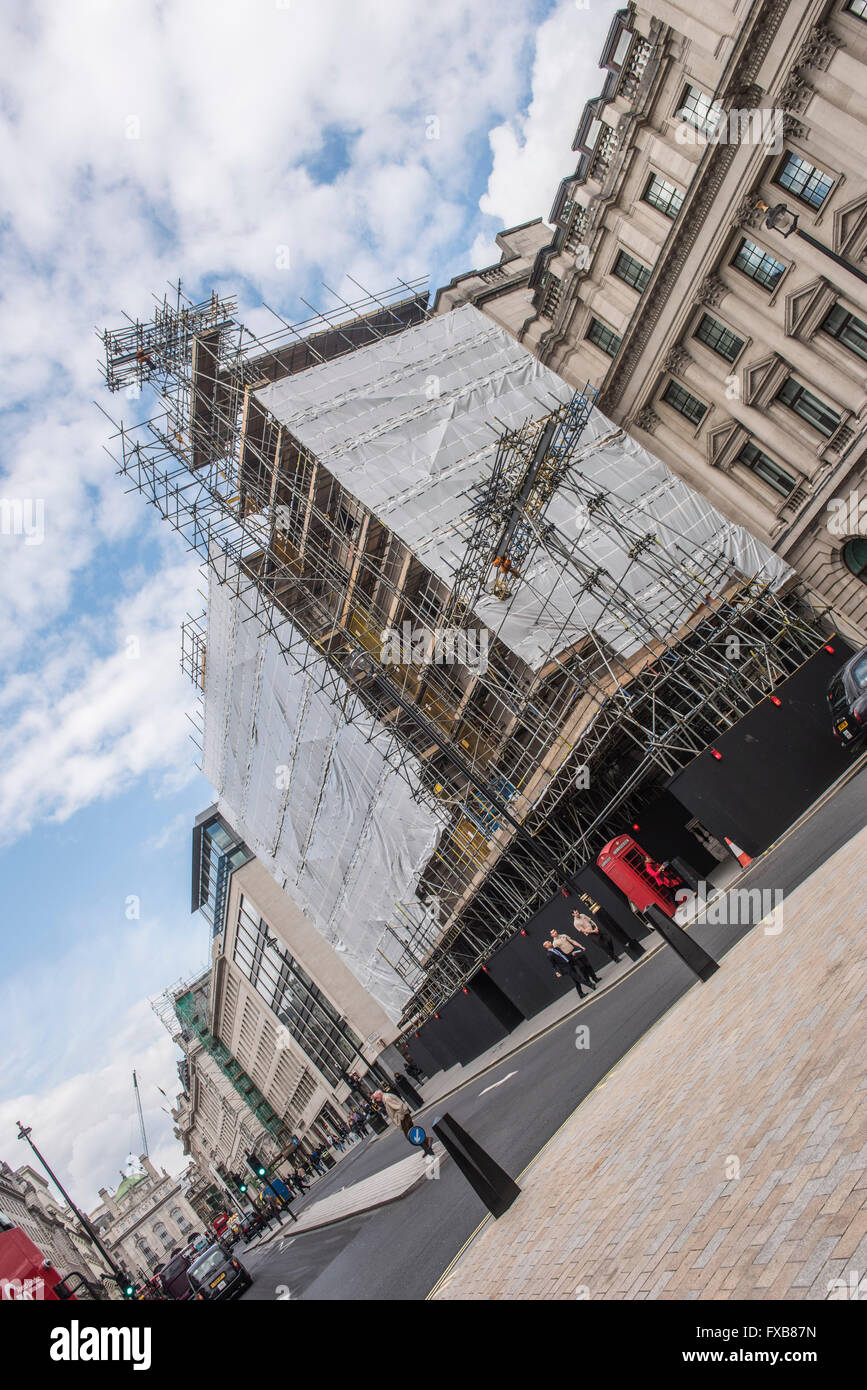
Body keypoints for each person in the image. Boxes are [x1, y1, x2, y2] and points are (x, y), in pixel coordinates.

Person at [370, 1089, 435, 1158]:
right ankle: (426, 1148)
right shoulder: (386, 1098)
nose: (377, 1100)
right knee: (412, 1134)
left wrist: (400, 1118)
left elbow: (399, 1108)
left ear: (380, 1094)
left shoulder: (387, 1098)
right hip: (404, 1117)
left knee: (410, 1136)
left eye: (377, 1098)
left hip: (403, 1118)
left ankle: (427, 1139)